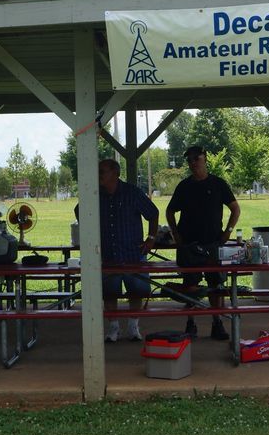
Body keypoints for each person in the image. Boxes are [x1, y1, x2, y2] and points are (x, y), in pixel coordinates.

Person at [76, 159, 160, 342]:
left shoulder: (132, 192)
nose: (98, 175)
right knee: (109, 292)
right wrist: (91, 232)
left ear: (115, 173)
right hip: (108, 253)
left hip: (133, 253)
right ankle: (113, 327)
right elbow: (79, 211)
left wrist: (151, 238)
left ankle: (133, 326)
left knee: (137, 291)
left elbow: (153, 213)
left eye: (102, 171)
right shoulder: (94, 194)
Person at [166, 146, 240, 340]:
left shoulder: (218, 184)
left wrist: (228, 232)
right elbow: (169, 211)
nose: (193, 163)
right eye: (189, 160)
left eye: (196, 158)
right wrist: (175, 233)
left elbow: (235, 209)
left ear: (205, 159)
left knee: (216, 285)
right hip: (189, 244)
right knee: (190, 286)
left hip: (213, 242)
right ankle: (191, 323)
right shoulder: (184, 186)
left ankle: (217, 322)